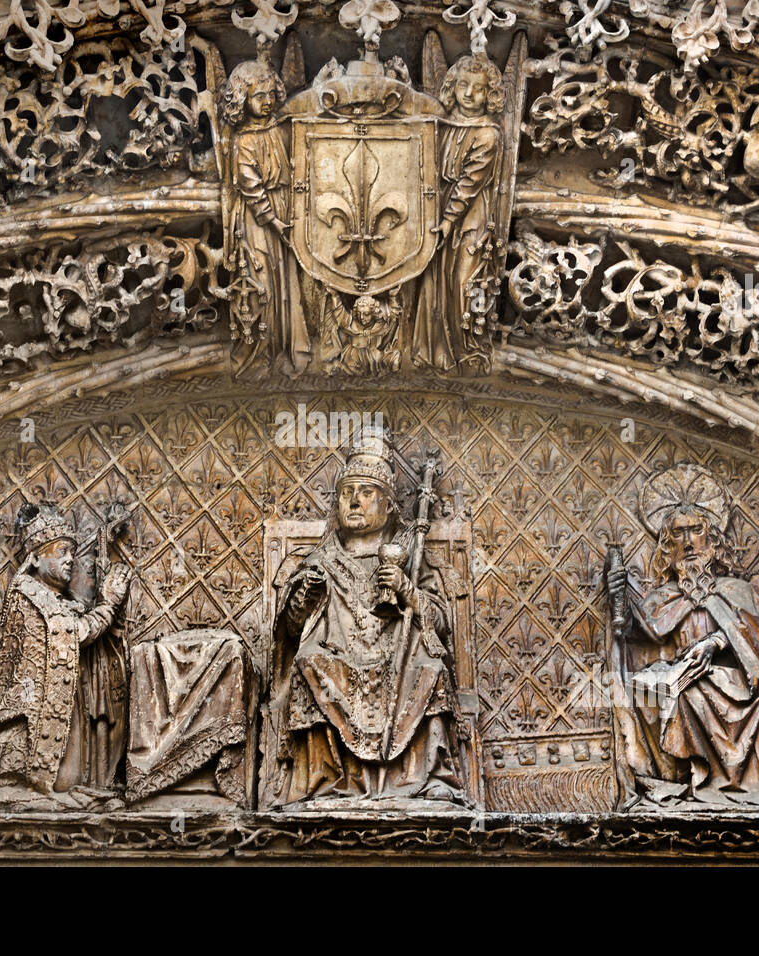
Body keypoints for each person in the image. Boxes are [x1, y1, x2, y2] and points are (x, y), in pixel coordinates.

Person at [270, 428, 463, 804]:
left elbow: (440, 621)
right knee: (310, 663)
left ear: (389, 505)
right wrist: (301, 603)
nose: (354, 501)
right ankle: (327, 780)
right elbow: (291, 633)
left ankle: (429, 775)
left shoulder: (411, 555)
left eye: (365, 492)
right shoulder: (321, 561)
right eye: (346, 493)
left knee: (431, 670)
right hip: (338, 660)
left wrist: (408, 591)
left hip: (398, 661)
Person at [605, 464, 759, 808]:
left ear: (712, 539)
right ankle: (676, 777)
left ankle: (723, 782)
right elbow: (636, 635)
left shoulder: (738, 591)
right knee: (647, 687)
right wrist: (618, 599)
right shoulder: (663, 597)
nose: (688, 542)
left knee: (691, 691)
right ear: (667, 546)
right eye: (678, 534)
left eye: (696, 530)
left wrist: (715, 644)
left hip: (736, 685)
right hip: (682, 673)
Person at [0, 504, 130, 809]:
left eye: (72, 553)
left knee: (68, 786)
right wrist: (109, 603)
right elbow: (76, 633)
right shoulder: (28, 594)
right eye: (61, 551)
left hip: (57, 717)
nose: (70, 560)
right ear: (35, 557)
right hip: (31, 722)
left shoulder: (53, 599)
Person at [413, 53, 505, 372]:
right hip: (436, 212)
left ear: (490, 95)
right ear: (452, 87)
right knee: (433, 281)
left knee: (464, 284)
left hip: (468, 220)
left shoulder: (487, 134)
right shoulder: (442, 126)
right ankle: (434, 348)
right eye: (463, 85)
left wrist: (448, 220)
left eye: (478, 89)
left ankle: (468, 348)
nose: (468, 94)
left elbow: (469, 183)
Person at [220, 59, 311, 376]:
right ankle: (256, 355)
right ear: (242, 100)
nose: (268, 101)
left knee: (285, 283)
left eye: (272, 94)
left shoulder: (278, 130)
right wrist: (274, 221)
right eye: (260, 96)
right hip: (258, 221)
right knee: (262, 285)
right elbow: (249, 186)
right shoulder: (243, 139)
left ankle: (284, 350)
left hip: (284, 209)